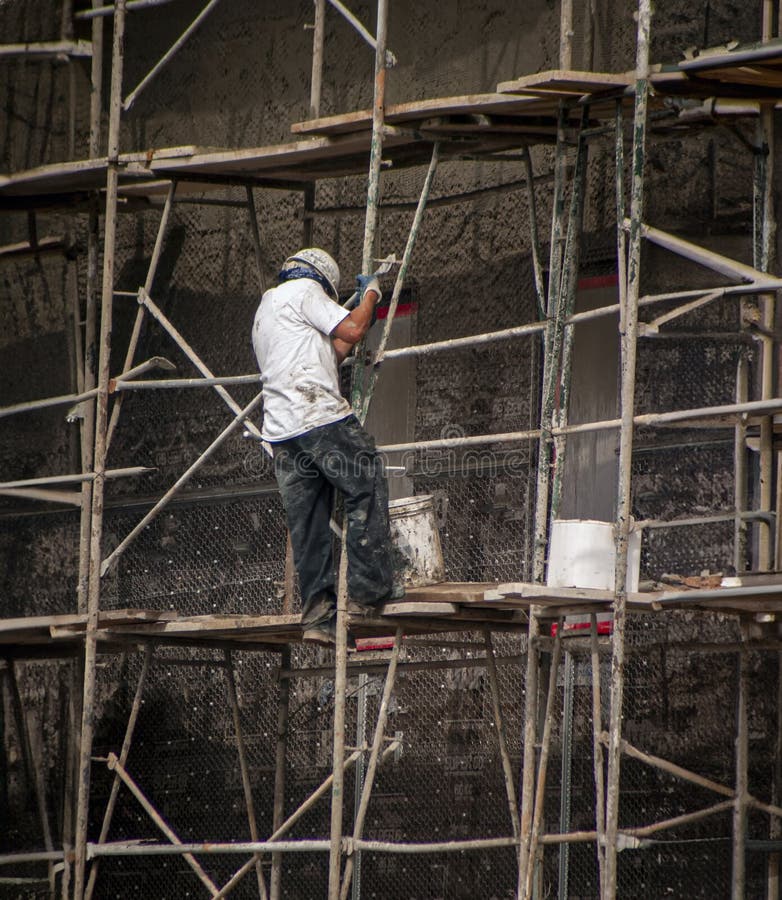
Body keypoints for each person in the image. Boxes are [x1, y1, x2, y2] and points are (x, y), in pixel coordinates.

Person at [251, 247, 400, 645]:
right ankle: (370, 590)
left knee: (310, 523)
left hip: (282, 433)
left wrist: (348, 321)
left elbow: (330, 353)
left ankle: (318, 615)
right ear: (321, 280)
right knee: (364, 477)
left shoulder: (267, 308)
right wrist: (371, 296)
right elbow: (352, 331)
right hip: (317, 415)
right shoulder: (304, 291)